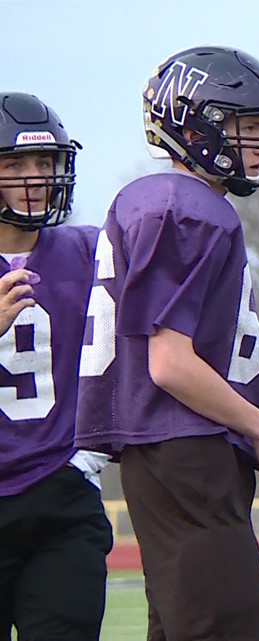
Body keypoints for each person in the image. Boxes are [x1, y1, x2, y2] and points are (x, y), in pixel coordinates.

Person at [74, 45, 259, 641]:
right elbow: (171, 362)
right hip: (183, 447)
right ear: (194, 125)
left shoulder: (167, 201)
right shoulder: (185, 206)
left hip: (180, 450)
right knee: (222, 626)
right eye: (247, 125)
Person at [0, 92, 113, 641]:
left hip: (59, 491)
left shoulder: (90, 251)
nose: (34, 177)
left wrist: (90, 456)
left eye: (45, 163)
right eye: (14, 164)